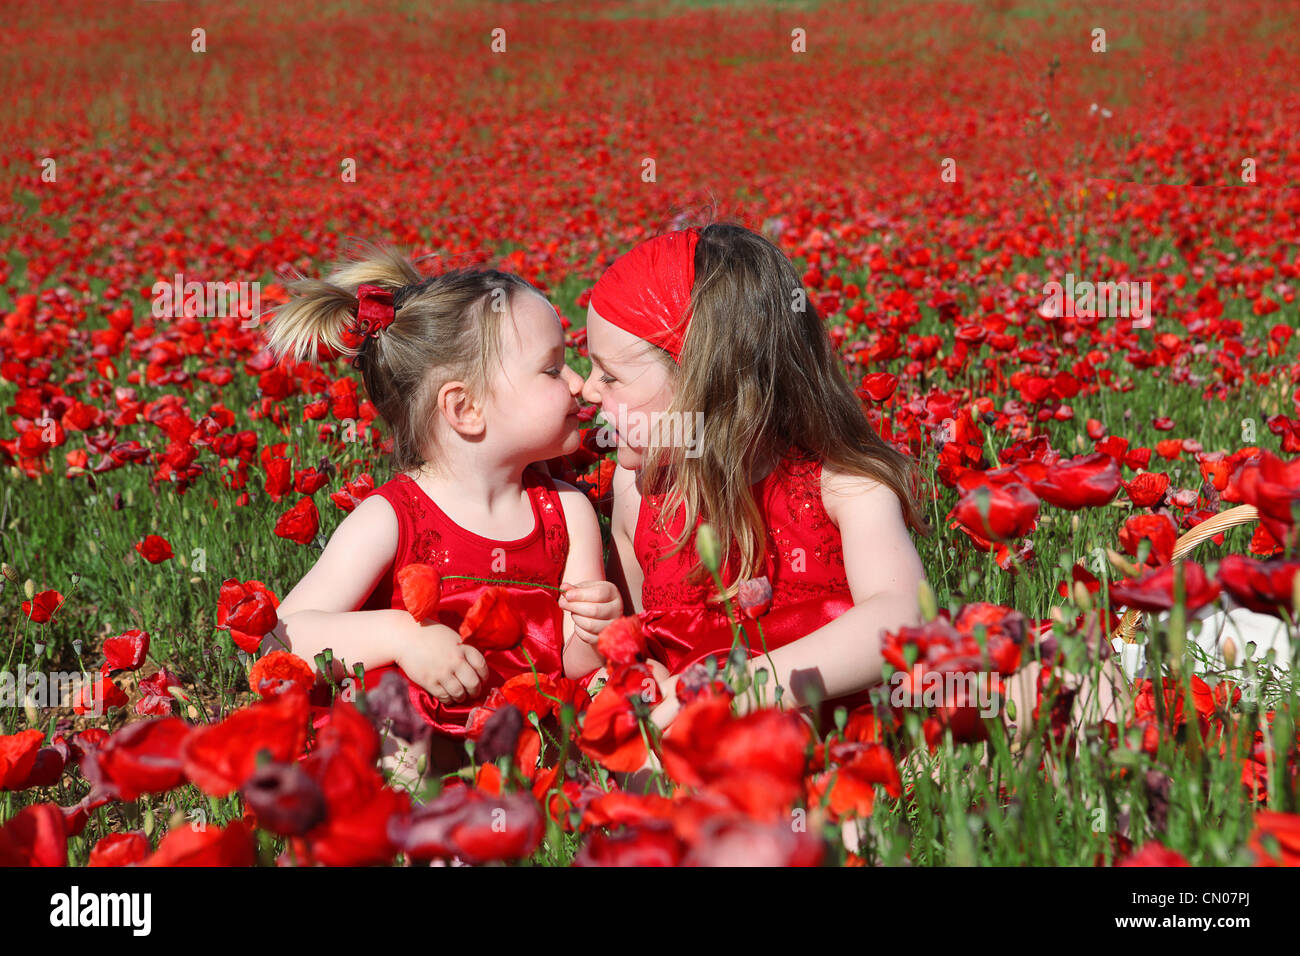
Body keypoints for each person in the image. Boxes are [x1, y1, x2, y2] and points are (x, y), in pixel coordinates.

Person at [259, 242, 621, 786]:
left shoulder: (567, 512)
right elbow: (285, 637)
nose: (577, 384)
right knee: (387, 727)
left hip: (524, 740)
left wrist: (595, 631)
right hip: (414, 744)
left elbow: (573, 667)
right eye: (551, 369)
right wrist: (402, 637)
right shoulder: (391, 518)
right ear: (465, 409)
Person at [579, 222, 933, 732]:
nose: (589, 390)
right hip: (700, 743)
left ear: (703, 382)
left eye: (608, 374)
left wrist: (740, 689)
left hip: (848, 734)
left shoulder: (841, 484)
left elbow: (902, 617)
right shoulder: (639, 493)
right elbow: (636, 642)